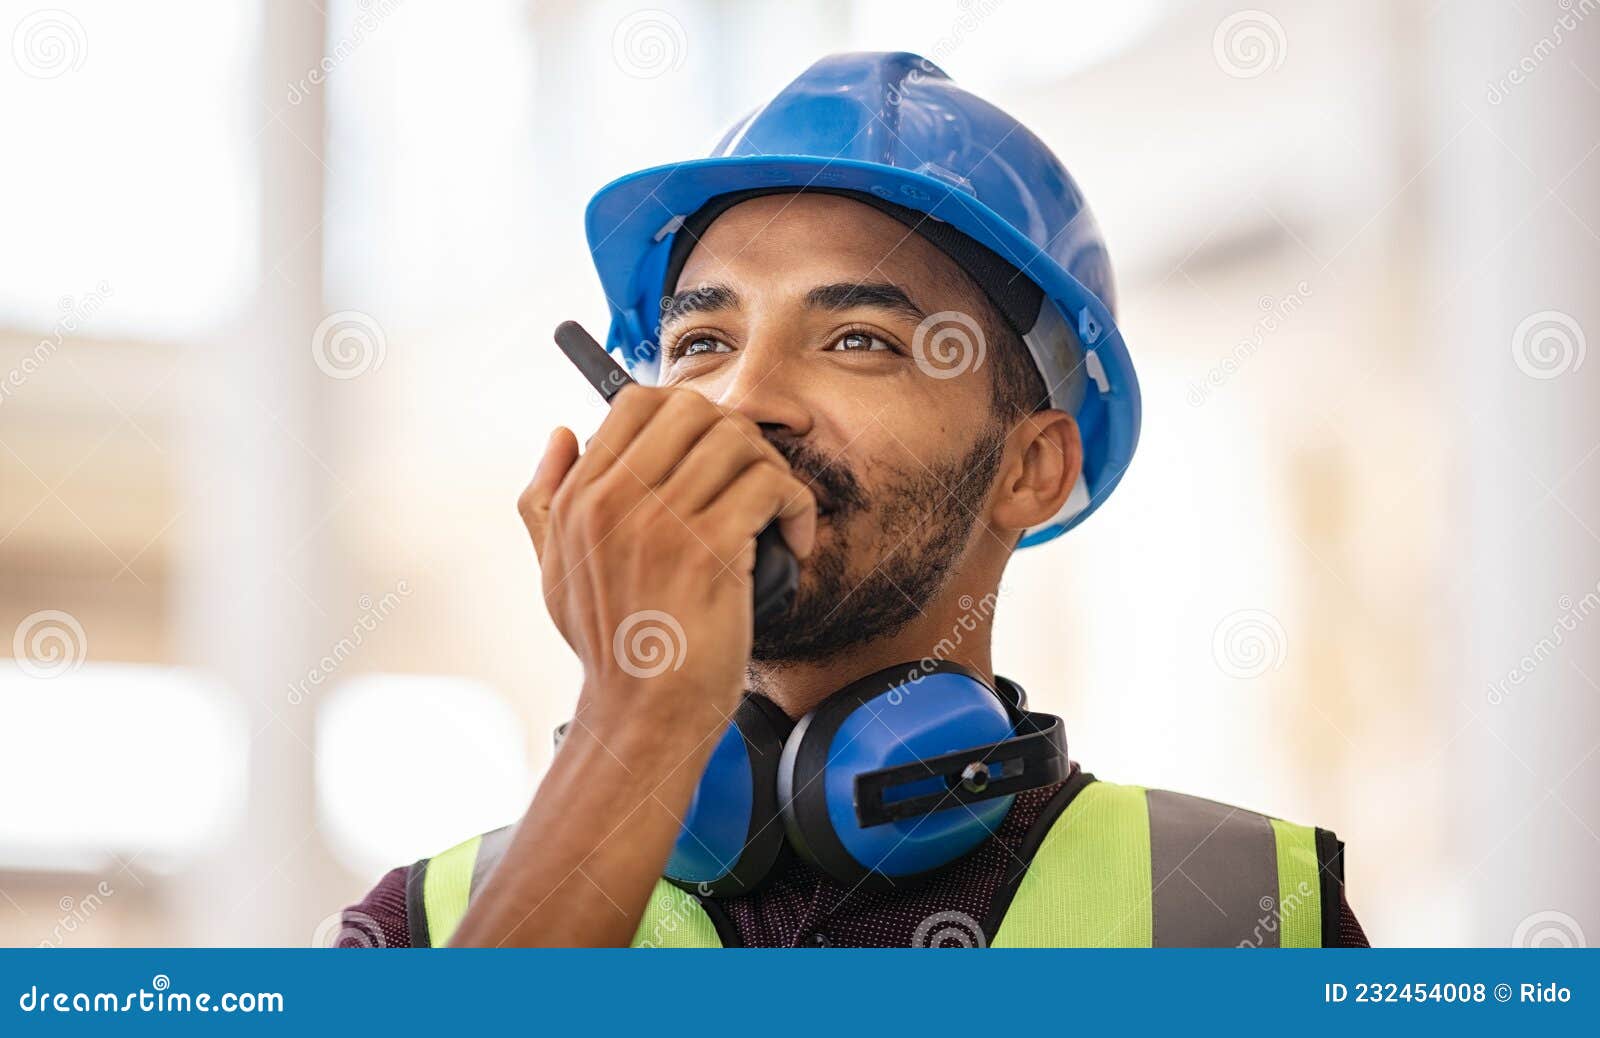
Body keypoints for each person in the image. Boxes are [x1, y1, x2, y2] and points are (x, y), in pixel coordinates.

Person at [337, 51, 1367, 948]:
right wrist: (633, 728)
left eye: (859, 341)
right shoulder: (421, 928)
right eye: (702, 345)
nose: (745, 401)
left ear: (1031, 470)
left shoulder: (1242, 920)